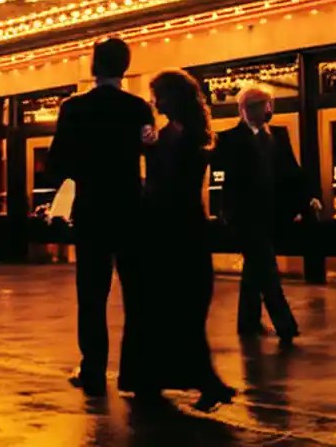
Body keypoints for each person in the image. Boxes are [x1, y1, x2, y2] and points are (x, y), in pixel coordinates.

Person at [121, 70, 236, 411]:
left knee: (169, 307)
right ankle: (202, 379)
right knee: (187, 308)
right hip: (190, 226)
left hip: (167, 230)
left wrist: (144, 153)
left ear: (171, 97)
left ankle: (184, 379)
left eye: (158, 95)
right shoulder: (195, 133)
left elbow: (163, 185)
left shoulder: (173, 136)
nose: (154, 102)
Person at [47, 37, 155, 397]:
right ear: (125, 67)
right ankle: (138, 371)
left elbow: (57, 163)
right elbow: (148, 152)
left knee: (92, 294)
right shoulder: (139, 108)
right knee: (137, 293)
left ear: (94, 66)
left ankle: (93, 369)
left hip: (92, 210)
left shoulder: (74, 108)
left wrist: (82, 171)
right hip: (130, 210)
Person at [213, 86, 317, 345]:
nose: (267, 111)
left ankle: (247, 322)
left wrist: (308, 198)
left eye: (268, 106)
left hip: (272, 215)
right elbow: (223, 181)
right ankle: (285, 325)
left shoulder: (279, 136)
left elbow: (292, 171)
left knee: (255, 269)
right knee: (267, 269)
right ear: (246, 109)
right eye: (261, 106)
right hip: (245, 218)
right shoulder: (228, 139)